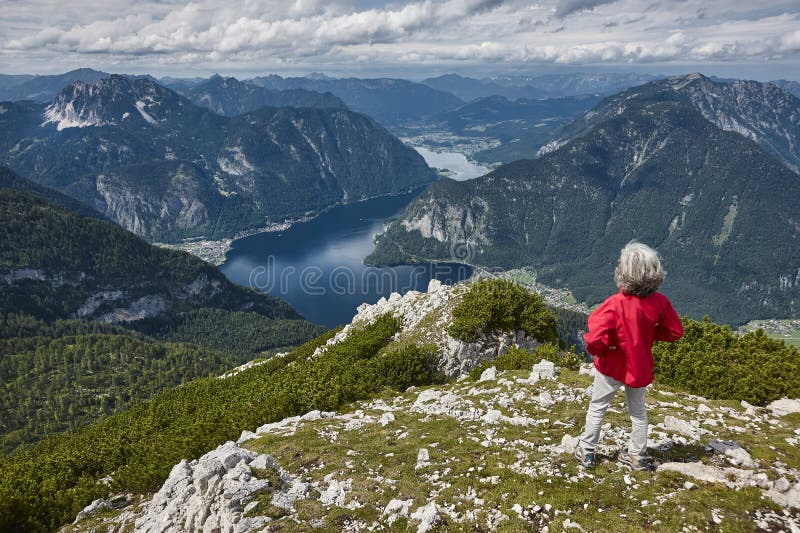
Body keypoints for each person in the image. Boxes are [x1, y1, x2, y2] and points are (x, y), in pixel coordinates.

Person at [574, 241, 683, 471]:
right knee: (638, 412)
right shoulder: (660, 302)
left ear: (623, 272)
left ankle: (587, 451)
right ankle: (637, 456)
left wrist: (606, 348)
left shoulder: (614, 305)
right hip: (639, 366)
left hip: (611, 367)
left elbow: (594, 338)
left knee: (598, 407)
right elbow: (674, 331)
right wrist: (648, 336)